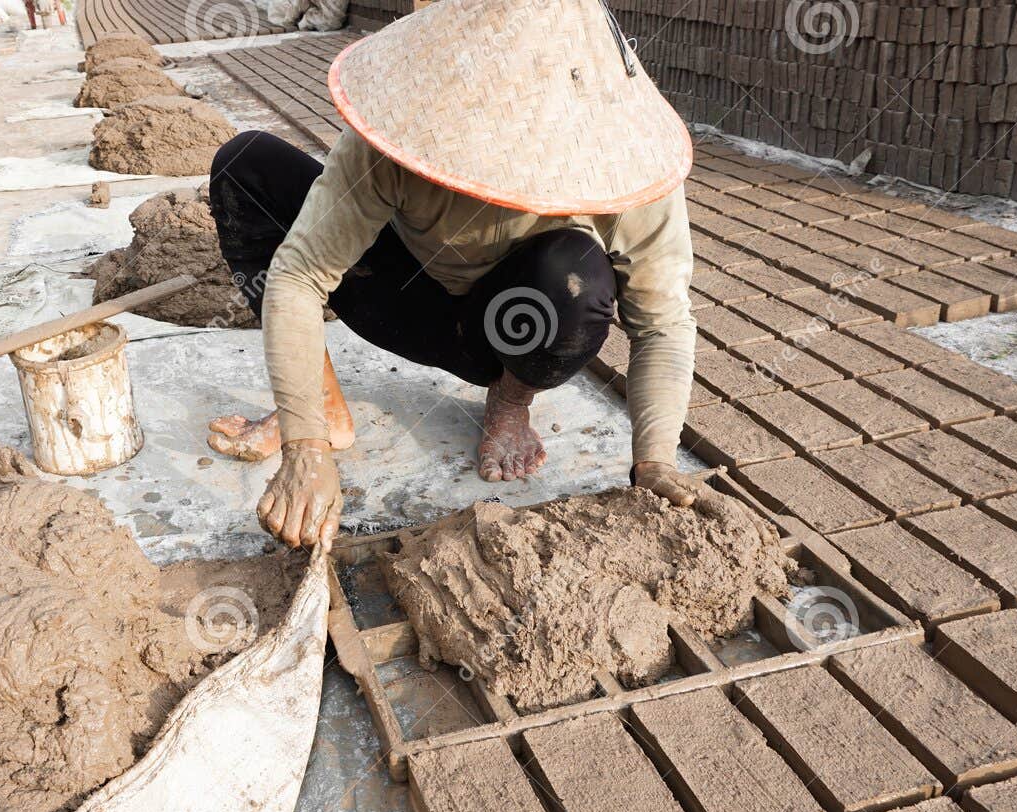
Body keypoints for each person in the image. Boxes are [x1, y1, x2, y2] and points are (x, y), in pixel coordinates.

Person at [208, 0, 715, 550]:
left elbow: (663, 325)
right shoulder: (401, 127)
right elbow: (299, 274)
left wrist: (655, 459)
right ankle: (324, 405)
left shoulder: (622, 158)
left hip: (506, 334)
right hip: (402, 300)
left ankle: (509, 400)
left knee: (572, 274)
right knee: (246, 161)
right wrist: (305, 442)